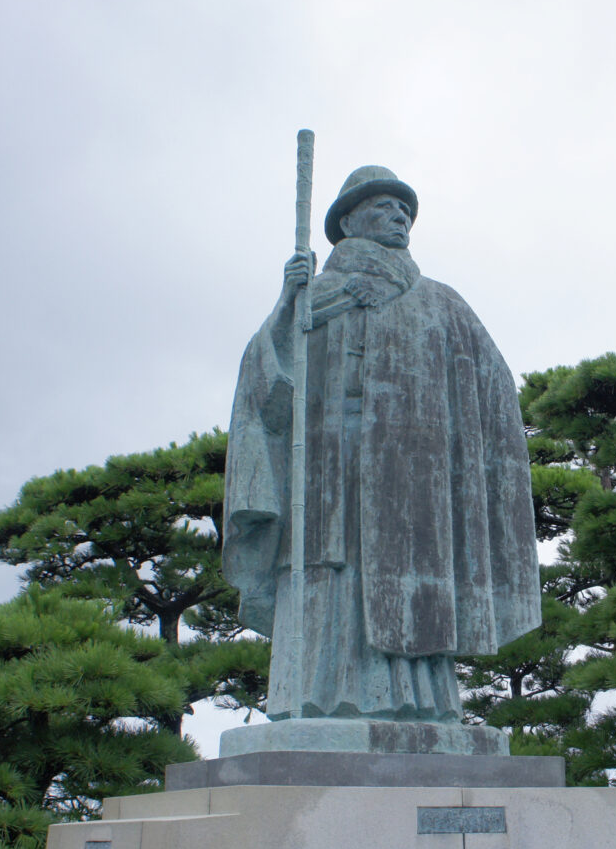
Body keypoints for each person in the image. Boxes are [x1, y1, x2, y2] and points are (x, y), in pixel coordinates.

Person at [223, 165, 541, 724]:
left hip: (412, 476)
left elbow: (493, 393)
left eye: (406, 210)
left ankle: (417, 706)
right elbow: (263, 387)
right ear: (348, 220)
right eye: (384, 206)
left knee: (407, 581)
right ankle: (313, 698)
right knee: (324, 565)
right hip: (323, 461)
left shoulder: (441, 304)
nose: (400, 217)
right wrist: (285, 306)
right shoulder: (312, 298)